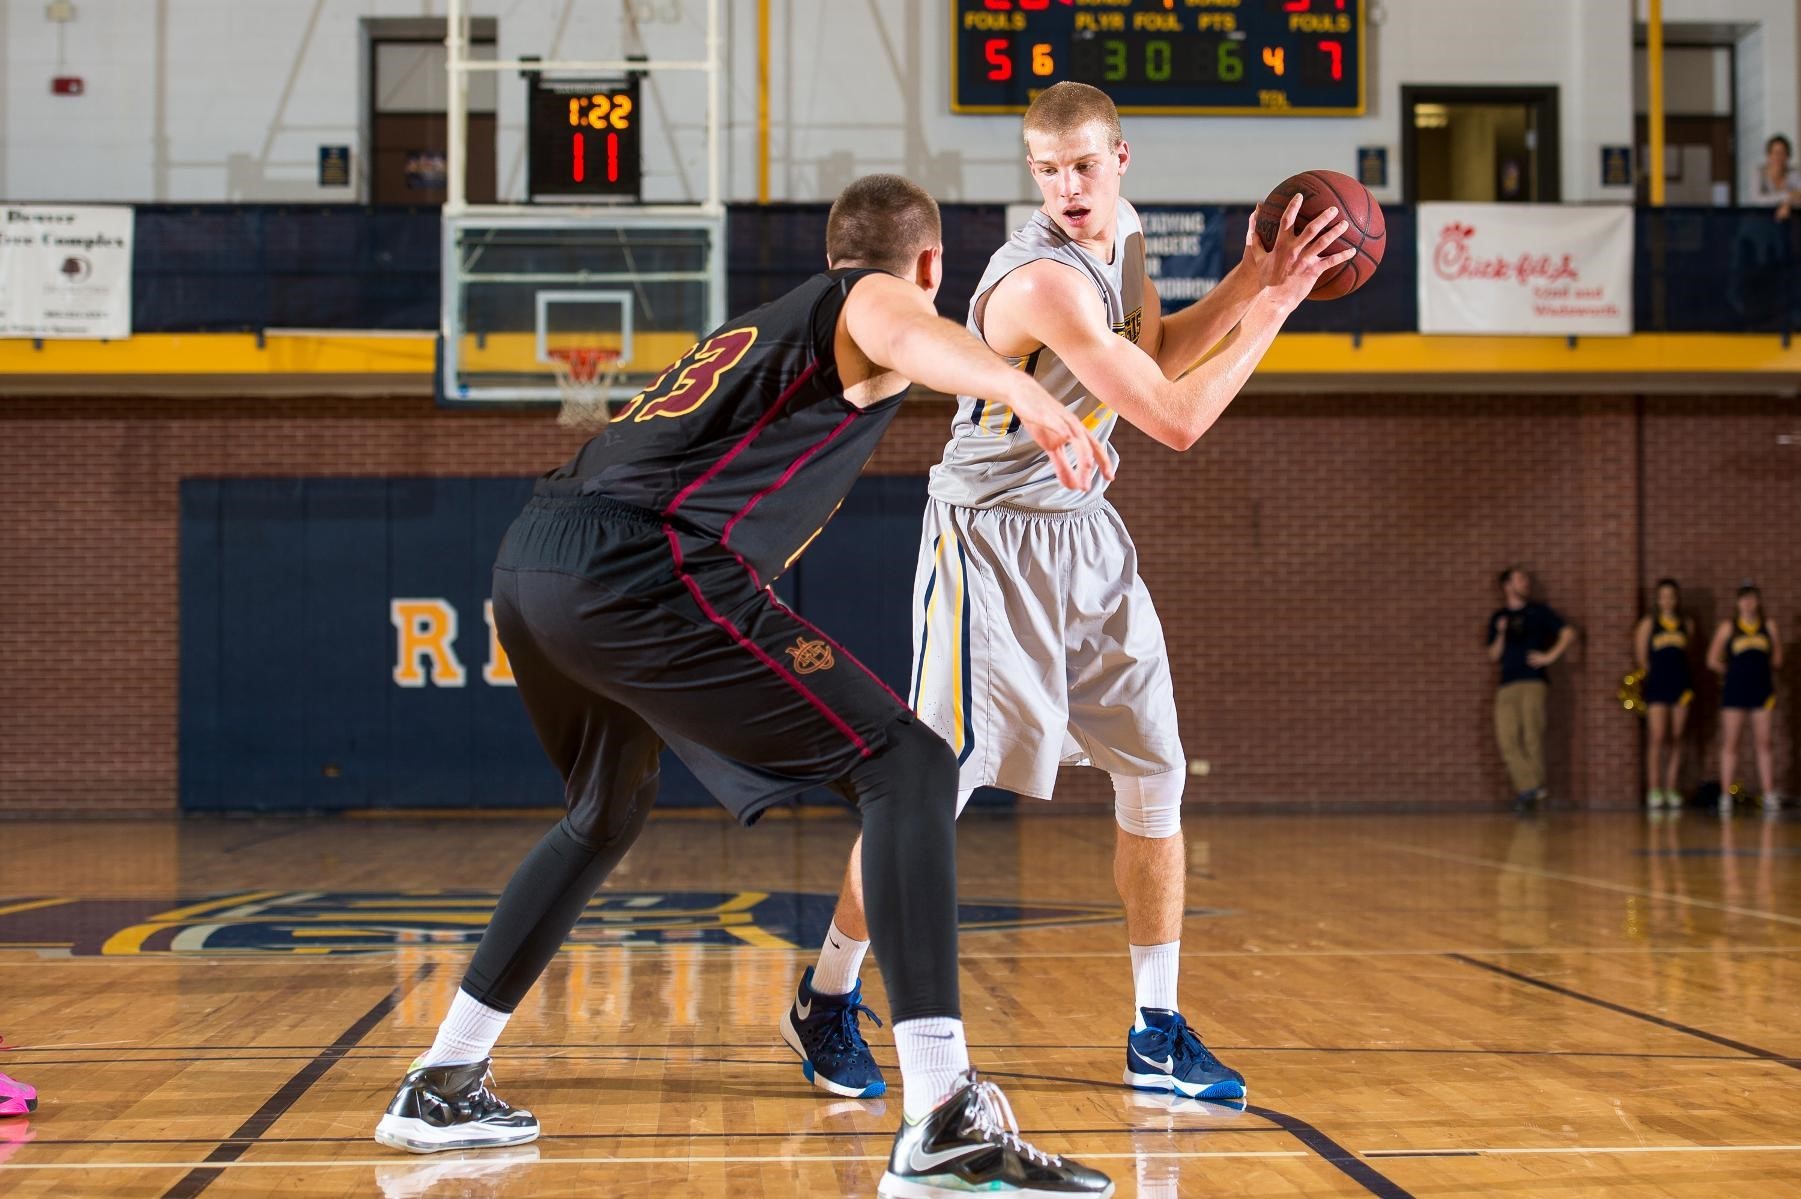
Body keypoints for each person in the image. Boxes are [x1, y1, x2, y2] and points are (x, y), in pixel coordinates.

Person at [372, 173, 1120, 1199]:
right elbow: (902, 325)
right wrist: (1022, 390)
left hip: (536, 553)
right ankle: (943, 1113)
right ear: (931, 263)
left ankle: (443, 1076)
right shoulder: (868, 297)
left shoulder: (756, 327)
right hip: (641, 562)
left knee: (601, 814)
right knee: (909, 761)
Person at [777, 81, 1352, 1107]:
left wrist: (1245, 279)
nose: (1067, 188)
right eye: (1047, 171)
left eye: (1083, 165)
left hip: (1083, 529)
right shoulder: (1039, 279)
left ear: (1119, 159)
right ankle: (826, 994)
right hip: (987, 538)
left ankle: (1155, 1029)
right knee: (932, 786)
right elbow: (1176, 420)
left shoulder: (1122, 237)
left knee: (1156, 771)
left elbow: (1153, 360)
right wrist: (1276, 302)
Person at [1487, 567, 1576, 809]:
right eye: (1520, 579)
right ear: (1507, 585)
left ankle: (1529, 792)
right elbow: (1493, 654)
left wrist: (1549, 656)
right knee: (1506, 738)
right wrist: (1501, 633)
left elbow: (1568, 633)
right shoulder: (1499, 617)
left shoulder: (1539, 611)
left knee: (1532, 736)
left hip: (1533, 681)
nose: (1526, 582)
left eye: (1526, 579)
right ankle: (1533, 788)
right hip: (1507, 684)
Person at [1707, 583, 1784, 812]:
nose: (1748, 603)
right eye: (1744, 599)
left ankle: (1768, 793)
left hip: (1761, 689)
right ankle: (1725, 796)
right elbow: (1712, 660)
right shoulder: (1728, 627)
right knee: (1731, 742)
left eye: (1752, 598)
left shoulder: (1768, 626)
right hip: (1735, 690)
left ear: (1758, 601)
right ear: (1738, 602)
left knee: (1764, 742)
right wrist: (1732, 672)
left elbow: (1778, 659)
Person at [1634, 578, 1695, 809]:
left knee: (1678, 736)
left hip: (1681, 684)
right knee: (1658, 736)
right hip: (1658, 684)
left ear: (1677, 599)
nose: (1667, 600)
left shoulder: (1686, 624)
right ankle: (1654, 789)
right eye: (1663, 596)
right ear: (1658, 600)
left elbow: (1689, 653)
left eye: (1671, 596)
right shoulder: (1648, 624)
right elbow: (1642, 658)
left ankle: (1672, 787)